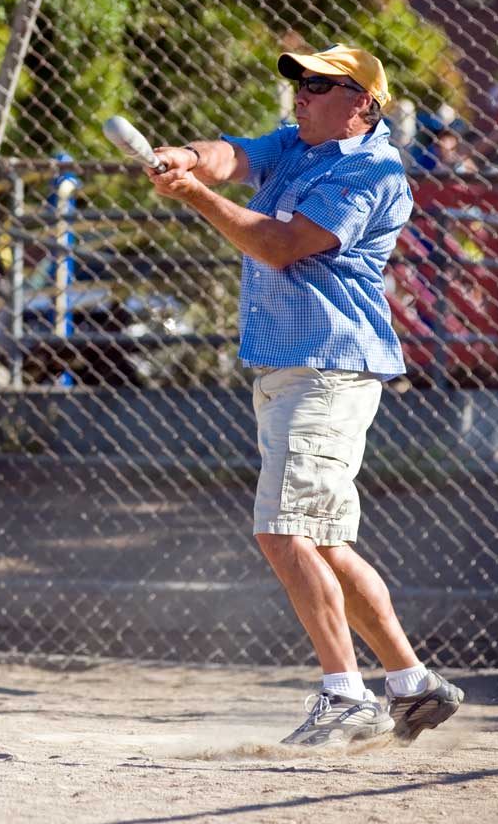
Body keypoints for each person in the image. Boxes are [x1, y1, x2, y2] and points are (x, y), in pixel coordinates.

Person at [144, 44, 464, 748]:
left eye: (322, 85)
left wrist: (195, 196)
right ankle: (412, 684)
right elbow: (231, 153)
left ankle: (345, 696)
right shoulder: (298, 146)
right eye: (300, 82)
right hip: (295, 370)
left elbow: (283, 246)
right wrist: (188, 160)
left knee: (281, 532)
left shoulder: (369, 171)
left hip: (328, 369)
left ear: (365, 104)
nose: (302, 94)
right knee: (322, 540)